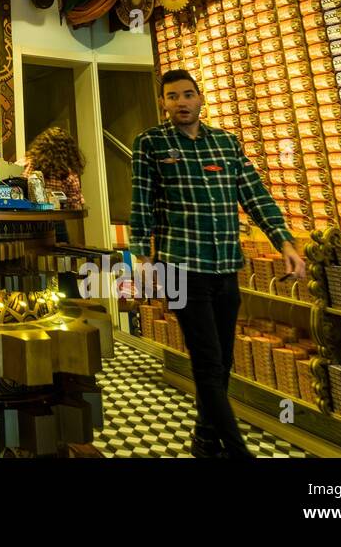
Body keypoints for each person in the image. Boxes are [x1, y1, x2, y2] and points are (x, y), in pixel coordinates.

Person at [129, 68, 305, 459]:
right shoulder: (150, 143)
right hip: (180, 267)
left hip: (226, 265)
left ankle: (205, 440)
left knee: (223, 361)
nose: (181, 103)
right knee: (208, 363)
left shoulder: (226, 143)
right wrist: (141, 257)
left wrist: (284, 242)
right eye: (172, 96)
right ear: (163, 103)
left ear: (200, 98)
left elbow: (254, 194)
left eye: (187, 94)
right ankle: (238, 451)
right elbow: (141, 203)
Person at [24, 124, 85, 210]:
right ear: (69, 150)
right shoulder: (69, 175)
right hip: (55, 220)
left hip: (28, 219)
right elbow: (76, 206)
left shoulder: (27, 163)